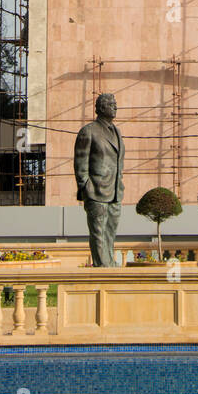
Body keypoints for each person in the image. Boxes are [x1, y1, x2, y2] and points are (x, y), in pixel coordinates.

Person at [73, 93, 125, 267]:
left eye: (115, 104)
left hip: (115, 191)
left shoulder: (116, 131)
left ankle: (109, 261)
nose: (115, 107)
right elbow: (80, 162)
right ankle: (102, 266)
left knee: (110, 230)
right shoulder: (89, 131)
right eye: (111, 104)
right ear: (101, 108)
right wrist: (85, 186)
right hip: (96, 190)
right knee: (98, 231)